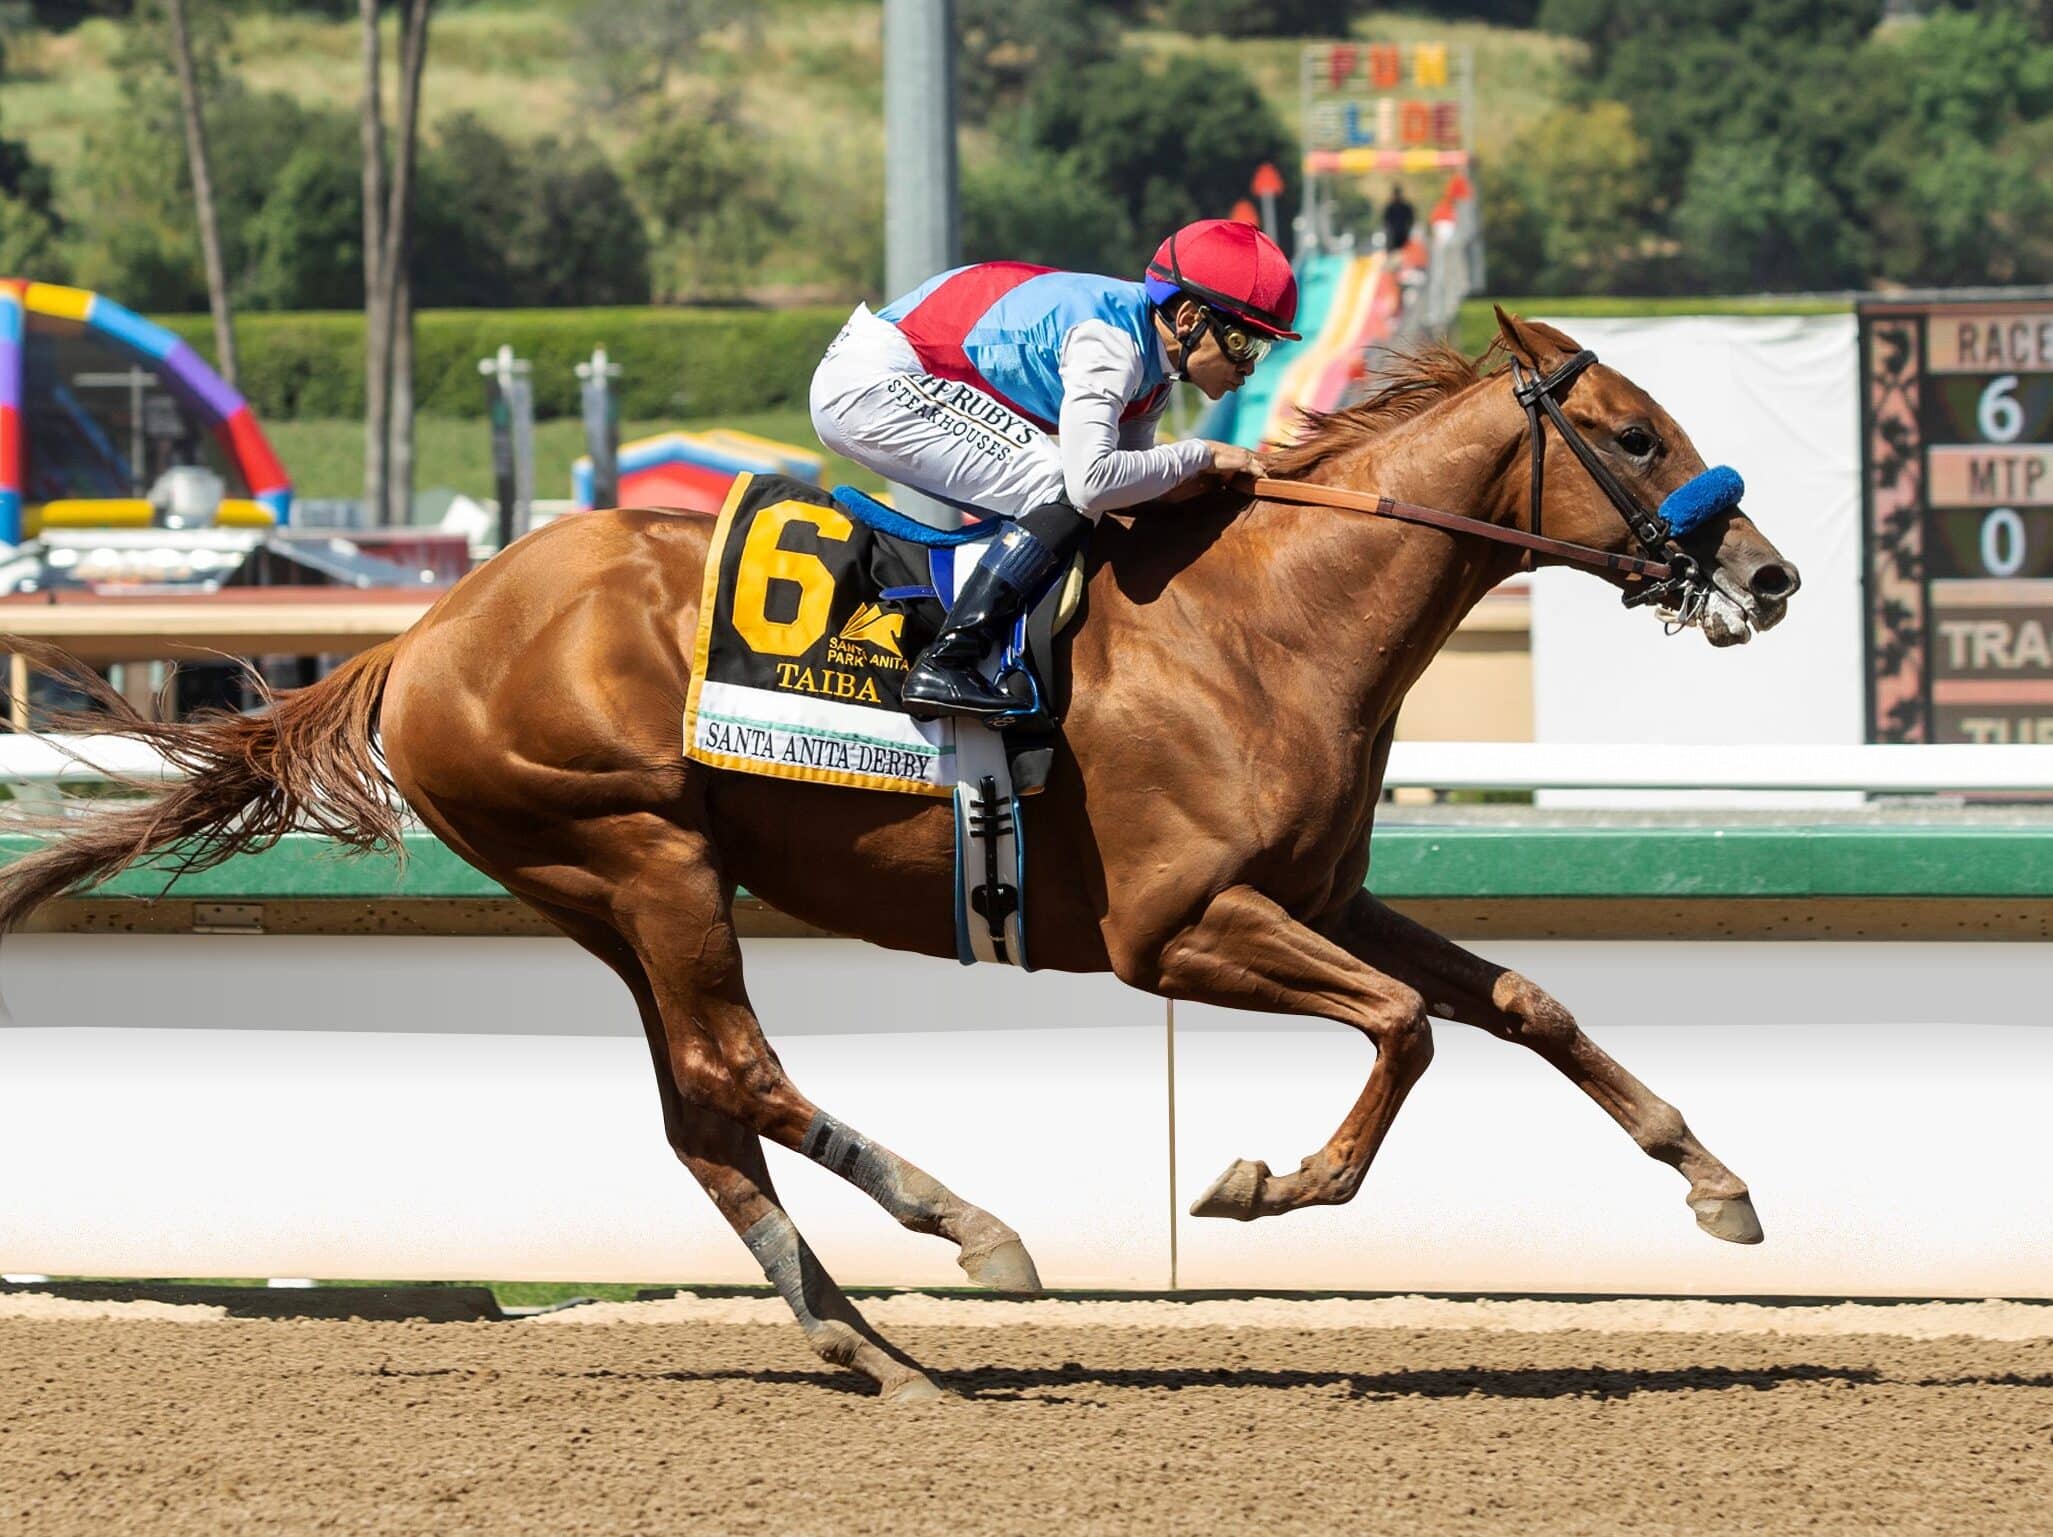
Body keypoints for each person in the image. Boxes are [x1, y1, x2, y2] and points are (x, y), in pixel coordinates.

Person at [809, 218, 1300, 721]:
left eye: (1263, 349)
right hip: (873, 382)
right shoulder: (1111, 344)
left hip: (882, 375)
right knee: (1059, 484)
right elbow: (1091, 483)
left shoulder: (1154, 373)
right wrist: (1204, 455)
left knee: (1070, 493)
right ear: (1191, 317)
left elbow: (1128, 489)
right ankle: (947, 660)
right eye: (1245, 344)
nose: (1250, 368)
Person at [1380, 184, 1415, 256]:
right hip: (1393, 236)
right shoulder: (1391, 207)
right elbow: (1386, 221)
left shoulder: (1405, 207)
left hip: (1402, 235)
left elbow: (1411, 220)